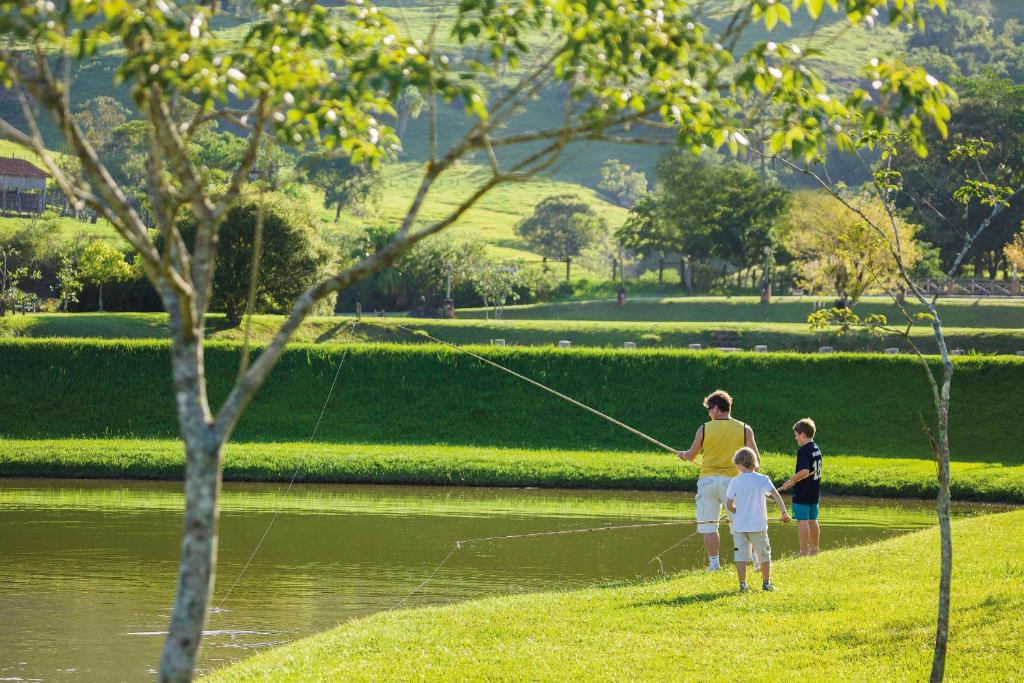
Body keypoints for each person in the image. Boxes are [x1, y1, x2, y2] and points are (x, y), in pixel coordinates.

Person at [676, 389, 761, 572]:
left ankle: (714, 564)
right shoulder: (745, 429)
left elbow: (691, 455)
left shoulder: (704, 428)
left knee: (708, 525)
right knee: (742, 523)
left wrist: (682, 455)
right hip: (734, 483)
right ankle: (755, 561)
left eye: (709, 409)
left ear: (716, 409)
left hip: (707, 482)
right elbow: (756, 461)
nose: (708, 413)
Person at [726, 447, 790, 592]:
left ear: (741, 464)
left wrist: (738, 512)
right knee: (763, 555)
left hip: (739, 526)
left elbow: (729, 505)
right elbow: (775, 495)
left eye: (736, 465)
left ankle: (743, 585)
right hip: (758, 526)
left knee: (741, 556)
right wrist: (784, 512)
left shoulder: (735, 481)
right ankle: (766, 584)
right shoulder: (763, 479)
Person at [779, 418, 823, 556]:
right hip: (814, 492)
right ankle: (814, 550)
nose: (796, 438)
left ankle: (803, 552)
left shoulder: (803, 451)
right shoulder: (816, 448)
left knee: (802, 521)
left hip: (803, 492)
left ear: (803, 435)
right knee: (812, 519)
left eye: (797, 435)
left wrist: (792, 480)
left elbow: (804, 471)